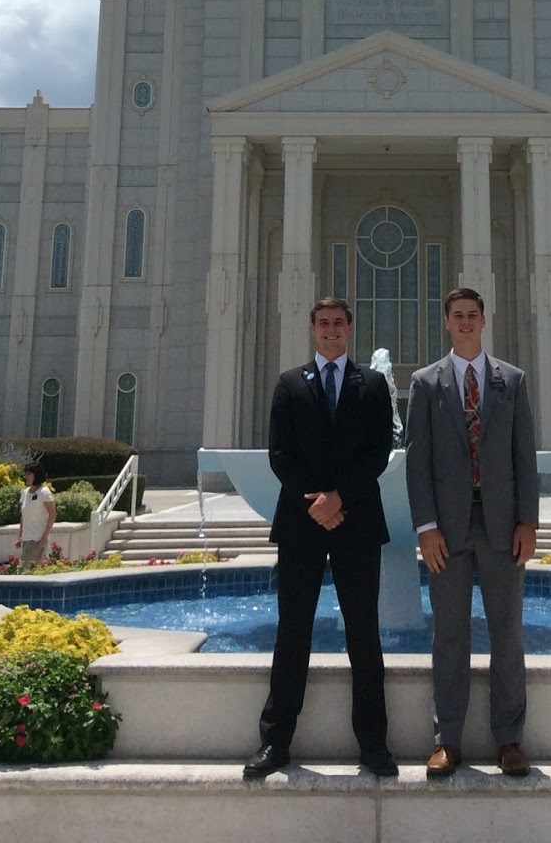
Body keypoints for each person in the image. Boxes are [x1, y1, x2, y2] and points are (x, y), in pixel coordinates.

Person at [243, 296, 398, 780]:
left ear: (349, 329)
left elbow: (379, 451)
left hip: (356, 520)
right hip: (302, 520)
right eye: (323, 323)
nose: (331, 330)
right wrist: (317, 501)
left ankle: (373, 743)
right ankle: (275, 742)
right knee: (293, 630)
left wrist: (339, 498)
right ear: (313, 329)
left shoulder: (371, 384)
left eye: (338, 323)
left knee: (362, 632)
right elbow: (279, 453)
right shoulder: (290, 383)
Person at [405, 287, 539, 779]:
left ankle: (509, 739)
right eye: (456, 315)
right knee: (449, 635)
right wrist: (426, 528)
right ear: (447, 323)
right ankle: (448, 740)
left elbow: (525, 456)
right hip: (447, 530)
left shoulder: (513, 381)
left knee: (507, 632)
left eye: (472, 315)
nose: (465, 322)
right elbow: (417, 464)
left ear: (485, 320)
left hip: (503, 527)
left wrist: (528, 521)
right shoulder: (426, 383)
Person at [16, 462, 56, 566]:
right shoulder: (25, 493)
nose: (26, 477)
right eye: (26, 474)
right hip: (26, 538)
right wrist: (20, 536)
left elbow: (52, 513)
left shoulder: (44, 492)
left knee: (25, 569)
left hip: (37, 539)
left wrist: (45, 536)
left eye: (29, 474)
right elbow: (23, 516)